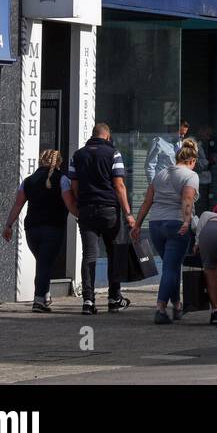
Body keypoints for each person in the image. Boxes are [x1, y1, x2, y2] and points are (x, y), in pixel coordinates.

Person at [65, 122, 134, 314]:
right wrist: (128, 213)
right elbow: (119, 185)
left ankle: (88, 301)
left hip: (86, 210)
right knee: (115, 254)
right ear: (107, 136)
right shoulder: (114, 153)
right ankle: (114, 298)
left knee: (89, 255)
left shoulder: (77, 155)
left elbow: (74, 186)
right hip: (109, 210)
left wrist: (81, 205)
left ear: (93, 135)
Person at [133, 137, 200, 324]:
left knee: (171, 265)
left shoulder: (160, 175)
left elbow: (147, 201)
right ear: (191, 161)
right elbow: (187, 200)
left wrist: (137, 225)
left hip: (156, 225)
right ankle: (160, 308)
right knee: (170, 268)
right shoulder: (190, 175)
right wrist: (187, 221)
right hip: (176, 224)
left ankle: (177, 305)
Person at [1, 149, 72, 313]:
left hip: (32, 230)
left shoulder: (28, 181)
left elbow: (18, 205)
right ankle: (39, 299)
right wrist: (82, 216)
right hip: (53, 228)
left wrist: (8, 225)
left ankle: (45, 296)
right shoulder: (62, 180)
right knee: (44, 263)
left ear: (41, 161)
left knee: (43, 262)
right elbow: (70, 204)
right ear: (59, 162)